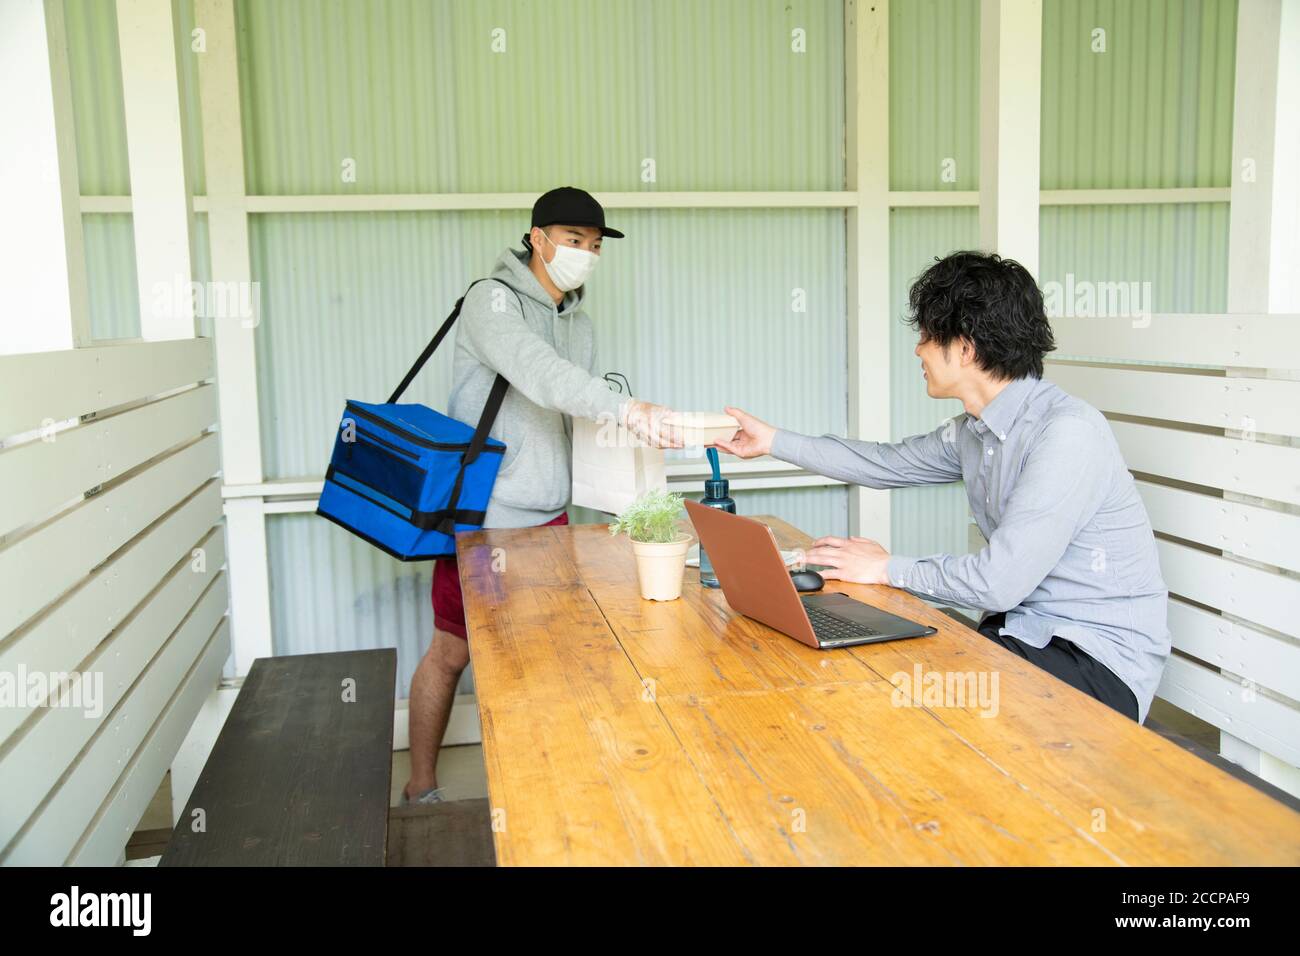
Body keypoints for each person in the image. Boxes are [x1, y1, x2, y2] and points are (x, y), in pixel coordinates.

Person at [715, 251, 1170, 724]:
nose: (918, 350)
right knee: (876, 680)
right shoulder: (974, 430)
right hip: (1021, 635)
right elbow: (885, 463)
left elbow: (998, 582)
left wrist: (886, 568)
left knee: (904, 705)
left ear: (967, 348)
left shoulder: (1067, 433)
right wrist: (771, 441)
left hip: (1093, 662)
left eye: (928, 336)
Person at [402, 187, 680, 804]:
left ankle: (535, 797)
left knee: (545, 659)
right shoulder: (491, 300)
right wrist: (630, 408)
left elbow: (577, 414)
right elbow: (542, 376)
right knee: (455, 652)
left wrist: (636, 469)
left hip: (550, 517)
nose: (584, 253)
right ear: (537, 239)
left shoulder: (578, 324)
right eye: (573, 240)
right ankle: (420, 789)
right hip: (486, 520)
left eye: (594, 245)